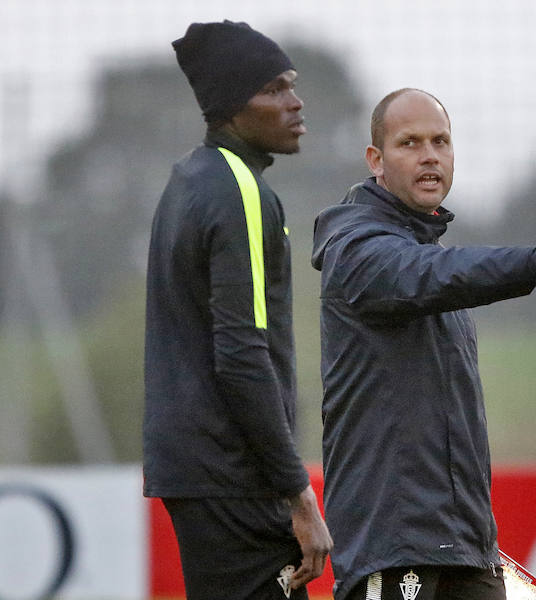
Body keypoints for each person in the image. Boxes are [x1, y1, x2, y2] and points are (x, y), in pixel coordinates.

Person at [311, 88, 536, 600]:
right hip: (395, 548)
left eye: (441, 141)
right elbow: (441, 274)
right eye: (409, 142)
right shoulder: (357, 250)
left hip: (464, 544)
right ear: (376, 161)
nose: (429, 154)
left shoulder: (425, 253)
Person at [143, 21, 331, 600]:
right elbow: (243, 353)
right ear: (231, 106)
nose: (295, 102)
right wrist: (297, 491)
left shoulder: (189, 180)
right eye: (274, 88)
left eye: (291, 84)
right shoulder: (240, 192)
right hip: (234, 477)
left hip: (201, 471)